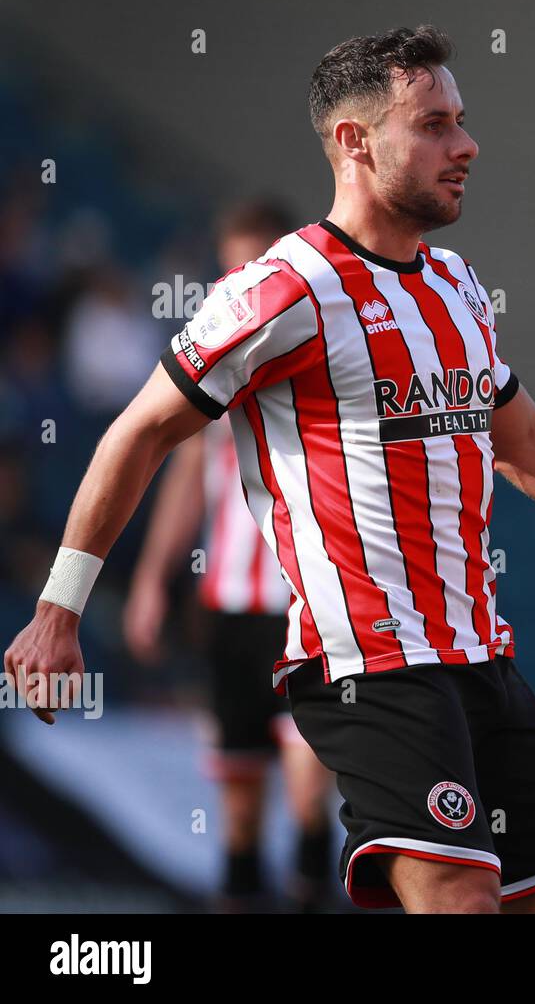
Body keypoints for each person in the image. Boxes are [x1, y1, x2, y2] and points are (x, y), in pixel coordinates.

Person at [4, 25, 535, 915]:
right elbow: (139, 430)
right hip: (372, 669)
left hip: (485, 664)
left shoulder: (454, 285)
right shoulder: (285, 289)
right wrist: (61, 606)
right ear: (354, 141)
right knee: (456, 900)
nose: (466, 144)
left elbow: (529, 448)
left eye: (461, 120)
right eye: (435, 124)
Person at [123, 199, 335, 913]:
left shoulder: (315, 351)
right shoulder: (209, 362)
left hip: (306, 608)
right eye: (231, 263)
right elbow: (184, 473)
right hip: (230, 607)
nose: (241, 277)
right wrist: (154, 577)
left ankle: (310, 895)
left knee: (310, 782)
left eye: (255, 260)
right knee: (240, 799)